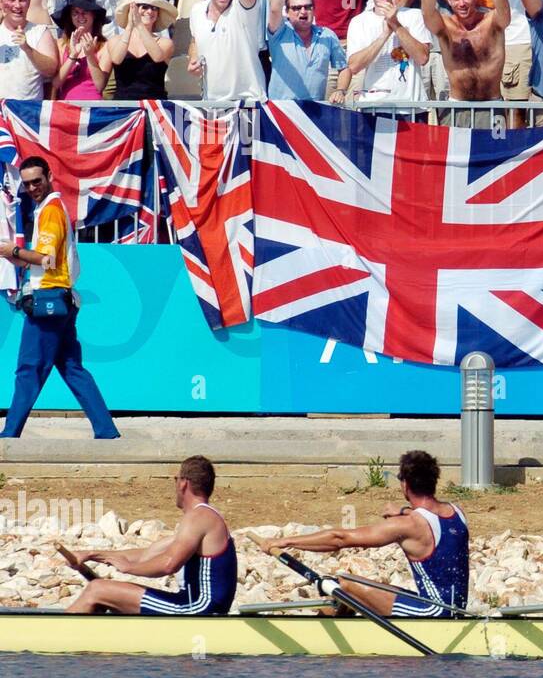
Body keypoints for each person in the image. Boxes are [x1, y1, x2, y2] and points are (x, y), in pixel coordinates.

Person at [257, 450, 469, 619]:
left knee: (343, 584)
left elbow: (341, 539)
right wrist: (403, 510)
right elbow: (430, 517)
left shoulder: (408, 524)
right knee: (352, 588)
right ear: (434, 480)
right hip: (457, 610)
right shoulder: (457, 512)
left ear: (405, 484)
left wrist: (285, 541)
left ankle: (316, 643)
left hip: (433, 613)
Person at [0, 156, 119, 440]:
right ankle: (106, 431)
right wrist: (18, 257)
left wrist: (12, 252)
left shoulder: (51, 210)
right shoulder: (50, 208)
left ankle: (9, 435)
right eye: (27, 183)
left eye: (36, 181)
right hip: (60, 300)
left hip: (48, 302)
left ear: (49, 176)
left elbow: (47, 260)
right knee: (72, 368)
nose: (31, 187)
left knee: (29, 370)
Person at [66, 457, 238, 614]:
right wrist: (89, 555)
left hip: (198, 608)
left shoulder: (198, 518)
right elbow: (146, 555)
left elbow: (168, 565)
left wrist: (129, 568)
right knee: (105, 593)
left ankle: (52, 637)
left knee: (97, 589)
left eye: (176, 479)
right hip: (195, 604)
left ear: (183, 484)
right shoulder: (204, 519)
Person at [419, 0, 511, 105]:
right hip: (458, 105)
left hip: (492, 103)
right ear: (449, 0)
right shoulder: (446, 26)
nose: (461, 3)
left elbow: (504, 10)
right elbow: (427, 13)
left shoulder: (491, 22)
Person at [346, 0, 433, 102]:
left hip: (410, 105)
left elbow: (422, 58)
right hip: (374, 104)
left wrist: (396, 25)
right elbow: (354, 66)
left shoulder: (414, 15)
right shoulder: (358, 22)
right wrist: (385, 34)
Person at [187, 0, 266, 101]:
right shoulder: (196, 10)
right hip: (211, 102)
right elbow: (194, 39)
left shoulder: (242, 8)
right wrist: (194, 57)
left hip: (247, 101)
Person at [267, 0, 349, 102]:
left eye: (308, 7)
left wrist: (340, 90)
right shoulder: (279, 32)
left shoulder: (327, 35)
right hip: (281, 112)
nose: (303, 11)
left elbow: (344, 69)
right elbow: (274, 9)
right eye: (296, 8)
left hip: (314, 114)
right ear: (287, 12)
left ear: (314, 10)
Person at [101, 0, 176, 101]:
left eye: (154, 8)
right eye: (144, 7)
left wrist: (140, 25)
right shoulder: (114, 41)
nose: (150, 11)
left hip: (155, 107)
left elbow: (157, 57)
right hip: (124, 108)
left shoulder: (164, 43)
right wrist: (130, 26)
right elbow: (117, 59)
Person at [0, 0, 57, 100]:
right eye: (12, 0)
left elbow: (51, 70)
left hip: (27, 114)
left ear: (29, 2)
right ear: (1, 3)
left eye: (22, 0)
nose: (17, 5)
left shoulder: (41, 32)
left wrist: (27, 49)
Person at [53, 0, 109, 101]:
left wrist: (90, 56)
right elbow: (55, 84)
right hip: (66, 107)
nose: (80, 16)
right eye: (75, 13)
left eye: (85, 12)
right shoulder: (61, 44)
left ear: (94, 15)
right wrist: (73, 56)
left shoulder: (105, 46)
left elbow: (100, 86)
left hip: (94, 108)